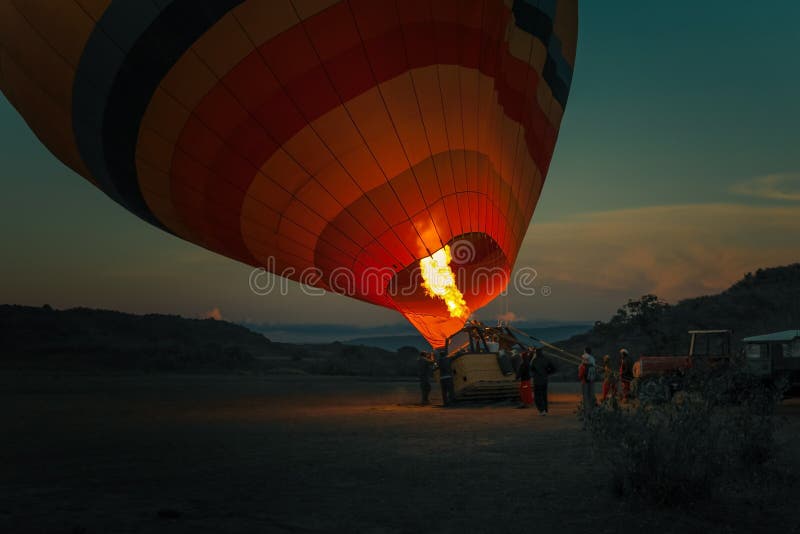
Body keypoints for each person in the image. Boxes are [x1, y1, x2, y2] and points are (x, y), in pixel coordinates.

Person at [530, 348, 556, 415]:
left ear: (536, 353)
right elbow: (553, 368)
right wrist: (547, 372)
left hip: (537, 380)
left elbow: (531, 369)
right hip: (545, 380)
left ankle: (541, 410)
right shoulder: (546, 359)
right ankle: (545, 409)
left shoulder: (535, 360)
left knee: (537, 396)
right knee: (544, 395)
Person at [578, 347, 597, 419]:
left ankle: (587, 414)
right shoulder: (593, 363)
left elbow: (580, 376)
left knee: (585, 398)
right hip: (592, 381)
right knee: (591, 396)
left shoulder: (582, 366)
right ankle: (592, 413)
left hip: (585, 382)